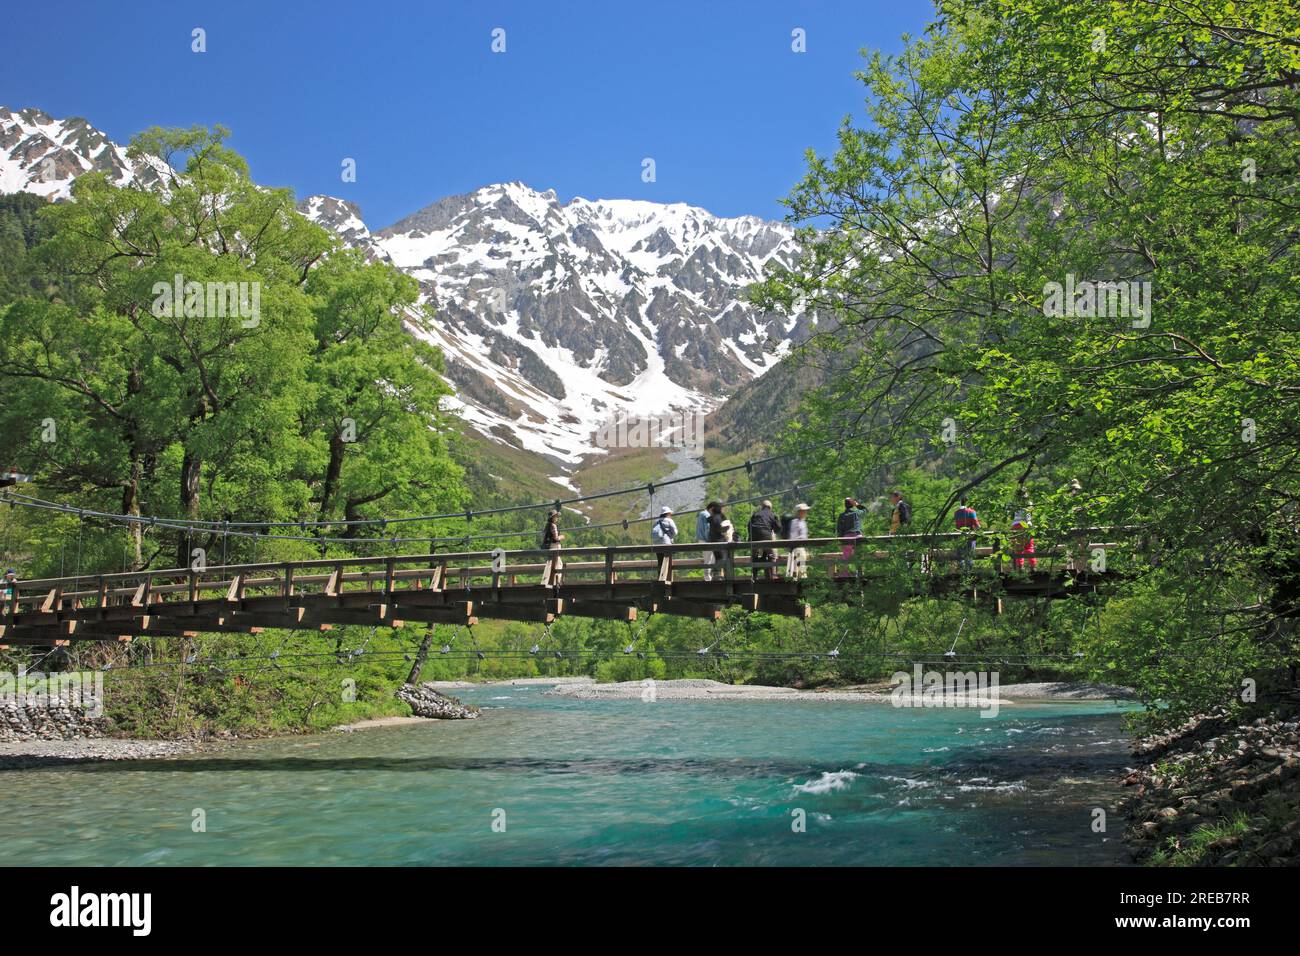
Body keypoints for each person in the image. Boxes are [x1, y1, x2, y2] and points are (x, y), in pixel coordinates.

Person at [748, 499, 782, 580]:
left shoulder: (755, 514)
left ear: (762, 507)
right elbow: (778, 528)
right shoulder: (772, 515)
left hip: (754, 538)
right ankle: (773, 575)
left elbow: (749, 525)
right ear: (770, 507)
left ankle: (754, 575)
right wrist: (772, 529)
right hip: (765, 537)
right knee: (772, 555)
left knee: (754, 555)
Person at [953, 495, 981, 572]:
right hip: (970, 536)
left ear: (960, 502)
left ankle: (960, 572)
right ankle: (969, 572)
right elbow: (977, 525)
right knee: (969, 555)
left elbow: (957, 524)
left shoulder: (956, 513)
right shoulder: (972, 512)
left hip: (958, 536)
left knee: (960, 556)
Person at [650, 506, 678, 576]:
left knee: (660, 561)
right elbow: (675, 532)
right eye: (670, 513)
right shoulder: (669, 521)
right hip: (666, 544)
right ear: (668, 513)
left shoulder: (656, 522)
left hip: (657, 544)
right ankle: (666, 577)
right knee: (667, 561)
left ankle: (660, 576)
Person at [786, 503, 810, 579]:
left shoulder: (802, 522)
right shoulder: (795, 522)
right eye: (804, 511)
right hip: (797, 548)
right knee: (797, 571)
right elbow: (793, 536)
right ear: (799, 512)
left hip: (801, 548)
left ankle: (801, 584)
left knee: (801, 570)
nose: (805, 512)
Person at [1010, 504, 1037, 570]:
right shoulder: (1029, 503)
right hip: (1026, 525)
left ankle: (1020, 566)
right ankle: (1033, 566)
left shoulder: (1014, 503)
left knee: (1018, 548)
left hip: (1016, 525)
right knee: (1029, 547)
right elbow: (1029, 517)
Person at [700, 502, 722, 581]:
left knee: (709, 560)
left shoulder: (703, 514)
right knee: (710, 560)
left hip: (705, 540)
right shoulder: (707, 515)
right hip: (708, 540)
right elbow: (707, 529)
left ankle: (710, 577)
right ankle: (709, 578)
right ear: (711, 508)